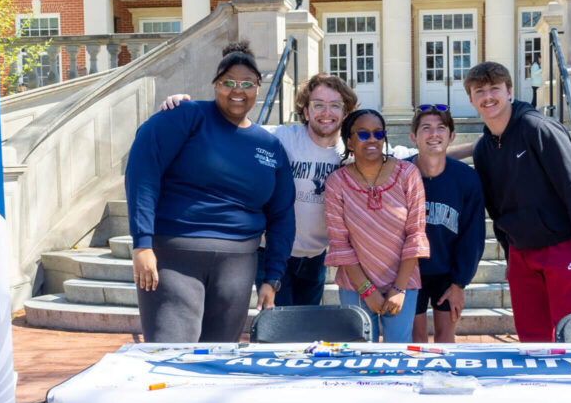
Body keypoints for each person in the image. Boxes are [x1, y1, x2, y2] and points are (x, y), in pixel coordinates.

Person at [160, 73, 476, 307]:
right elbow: (232, 127)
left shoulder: (357, 148)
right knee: (279, 332)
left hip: (315, 258)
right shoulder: (282, 138)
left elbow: (422, 154)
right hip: (274, 255)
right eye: (319, 105)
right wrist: (189, 108)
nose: (327, 113)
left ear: (346, 111)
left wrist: (479, 147)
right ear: (306, 110)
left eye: (335, 106)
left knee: (307, 330)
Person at [124, 42, 295, 342]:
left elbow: (282, 215)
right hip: (175, 256)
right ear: (215, 85)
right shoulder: (185, 116)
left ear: (258, 88)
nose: (237, 90)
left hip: (238, 264)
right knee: (172, 356)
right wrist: (141, 243)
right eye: (228, 82)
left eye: (247, 84)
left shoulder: (270, 146)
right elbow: (142, 171)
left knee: (219, 358)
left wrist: (272, 277)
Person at [464, 62, 571, 342]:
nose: (487, 96)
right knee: (532, 339)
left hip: (563, 248)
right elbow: (496, 207)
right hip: (521, 255)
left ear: (509, 91)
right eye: (480, 91)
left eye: (494, 88)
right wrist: (508, 251)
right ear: (471, 99)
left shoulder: (538, 128)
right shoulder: (483, 150)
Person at [324, 109, 430, 342]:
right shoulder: (337, 183)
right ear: (349, 141)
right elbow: (339, 243)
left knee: (398, 353)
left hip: (403, 281)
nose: (372, 139)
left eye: (378, 134)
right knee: (359, 353)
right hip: (355, 284)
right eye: (363, 134)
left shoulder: (408, 174)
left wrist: (399, 289)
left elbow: (415, 234)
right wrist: (367, 291)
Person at [407, 104, 486, 343]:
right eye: (426, 128)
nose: (434, 134)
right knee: (415, 340)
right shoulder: (401, 173)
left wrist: (460, 283)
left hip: (447, 272)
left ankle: (445, 381)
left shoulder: (466, 178)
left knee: (445, 338)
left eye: (441, 128)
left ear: (452, 136)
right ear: (414, 136)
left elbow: (473, 236)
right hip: (409, 272)